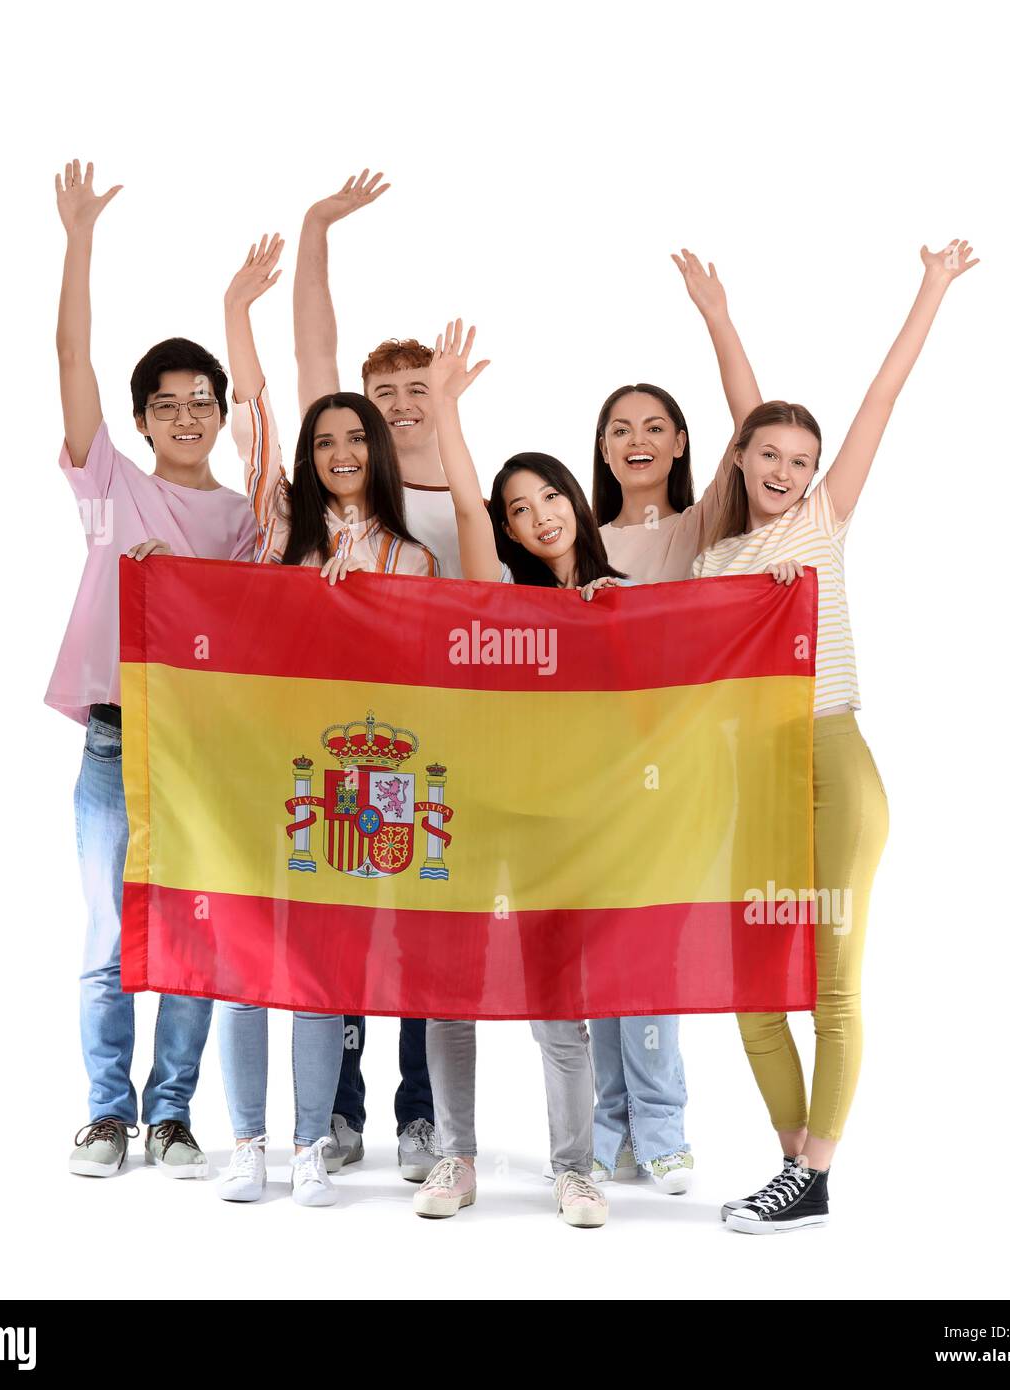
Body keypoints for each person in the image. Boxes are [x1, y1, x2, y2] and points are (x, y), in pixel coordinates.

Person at [691, 238, 979, 1232]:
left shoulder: (817, 524)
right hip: (750, 781)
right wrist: (717, 319)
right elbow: (748, 406)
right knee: (752, 989)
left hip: (832, 762)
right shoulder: (713, 559)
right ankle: (793, 1167)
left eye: (800, 461)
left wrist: (929, 286)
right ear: (740, 457)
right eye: (767, 454)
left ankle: (815, 1172)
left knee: (833, 982)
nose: (783, 469)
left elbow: (879, 401)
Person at [51, 161, 257, 1181]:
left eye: (201, 402)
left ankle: (171, 1113)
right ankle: (104, 1113)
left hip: (201, 756)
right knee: (109, 935)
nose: (186, 416)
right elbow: (70, 355)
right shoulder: (109, 490)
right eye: (166, 404)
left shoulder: (242, 522)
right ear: (138, 421)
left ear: (219, 414)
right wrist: (79, 237)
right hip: (112, 740)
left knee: (193, 934)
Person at [221, 237, 439, 1198]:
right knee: (271, 945)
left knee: (371, 942)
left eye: (358, 440)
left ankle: (369, 1124)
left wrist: (370, 610)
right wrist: (239, 308)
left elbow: (422, 677)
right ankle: (282, 1135)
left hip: (375, 772)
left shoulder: (413, 560)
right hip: (277, 760)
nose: (343, 452)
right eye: (328, 441)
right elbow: (256, 409)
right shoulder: (277, 526)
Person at [407, 321, 619, 1228]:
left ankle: (573, 1170)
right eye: (517, 508)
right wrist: (447, 407)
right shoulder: (500, 593)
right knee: (451, 995)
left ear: (574, 499)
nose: (537, 517)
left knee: (556, 1004)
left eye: (548, 499)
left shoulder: (620, 604)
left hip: (565, 822)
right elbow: (462, 509)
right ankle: (454, 1160)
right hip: (478, 809)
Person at [292, 171, 465, 1167]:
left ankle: (416, 1106)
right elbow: (315, 351)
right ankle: (342, 1106)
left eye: (414, 392)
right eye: (379, 396)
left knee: (414, 924)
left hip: (418, 739)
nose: (395, 409)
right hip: (325, 737)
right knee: (340, 924)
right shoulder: (328, 506)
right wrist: (316, 227)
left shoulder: (442, 514)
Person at [581, 257, 758, 1194]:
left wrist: (718, 319)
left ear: (681, 443)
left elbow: (756, 433)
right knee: (606, 943)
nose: (638, 439)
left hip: (674, 767)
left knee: (649, 943)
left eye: (655, 427)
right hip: (591, 774)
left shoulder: (697, 531)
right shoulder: (576, 541)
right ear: (602, 448)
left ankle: (660, 1125)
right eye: (621, 428)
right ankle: (611, 1126)